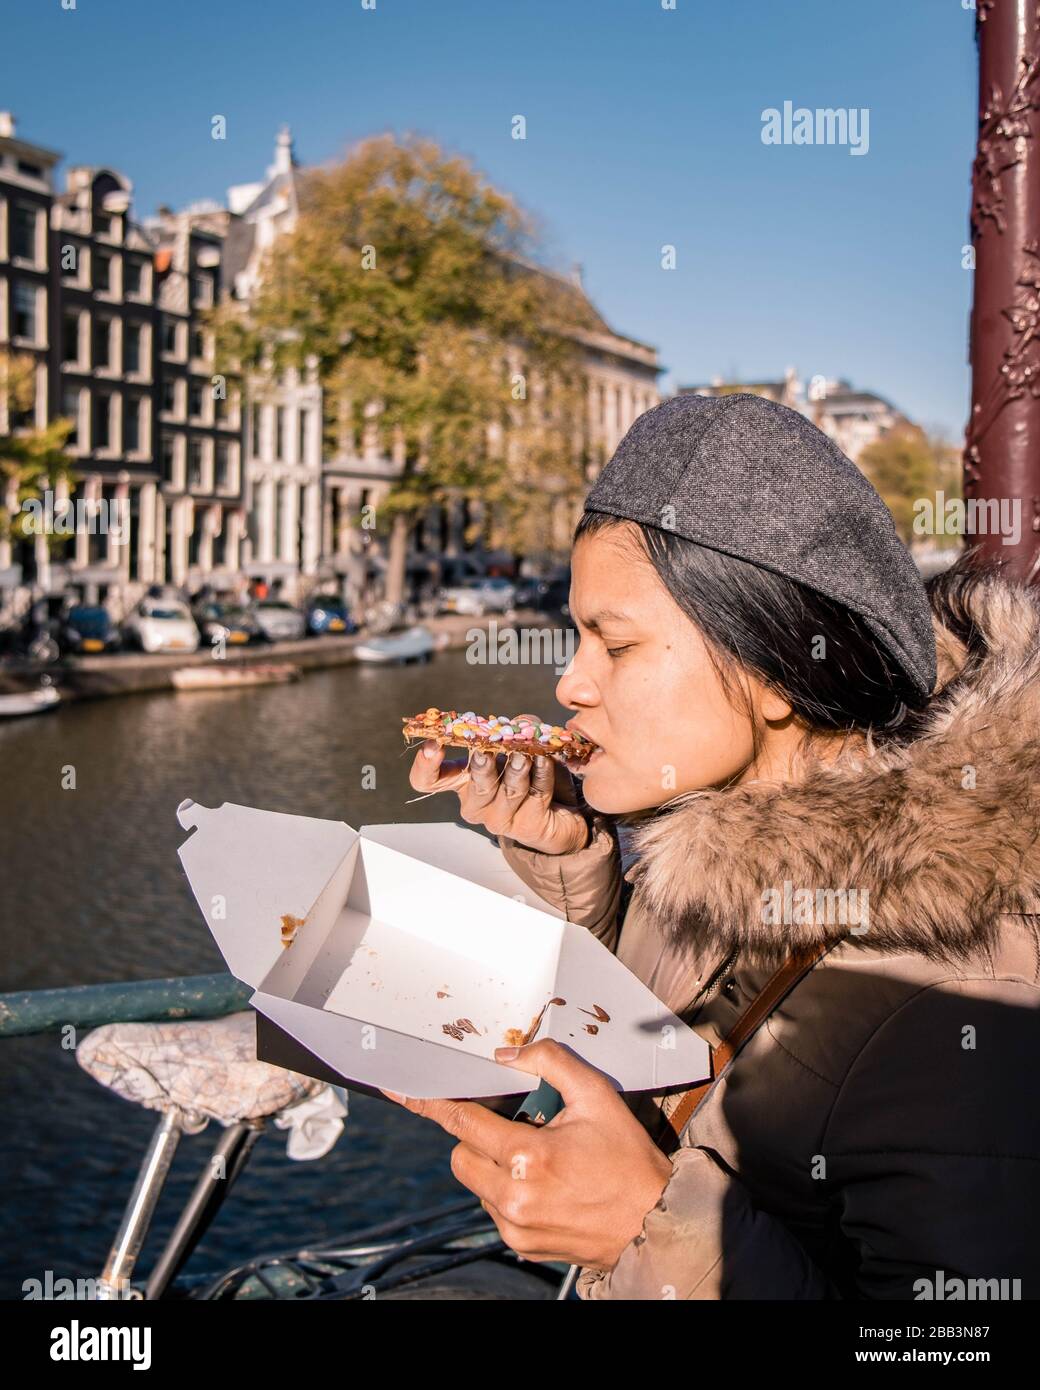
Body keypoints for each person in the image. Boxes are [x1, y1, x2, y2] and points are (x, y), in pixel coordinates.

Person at [392, 393, 1040, 1300]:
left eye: (614, 646)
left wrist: (645, 1232)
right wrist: (581, 872)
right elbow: (673, 1031)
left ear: (776, 670)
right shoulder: (712, 838)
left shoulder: (960, 1000)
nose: (568, 682)